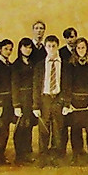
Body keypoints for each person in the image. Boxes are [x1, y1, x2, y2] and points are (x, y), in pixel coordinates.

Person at [62, 36, 88, 161]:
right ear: (75, 50)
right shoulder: (70, 65)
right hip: (75, 102)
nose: (81, 50)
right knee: (75, 130)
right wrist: (68, 103)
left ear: (87, 48)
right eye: (78, 48)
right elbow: (67, 85)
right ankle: (76, 154)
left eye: (83, 47)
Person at [32, 35, 66, 164]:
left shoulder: (65, 65)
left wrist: (65, 103)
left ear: (57, 47)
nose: (51, 49)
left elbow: (67, 86)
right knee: (43, 129)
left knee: (58, 129)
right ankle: (43, 155)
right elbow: (36, 86)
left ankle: (56, 156)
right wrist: (36, 105)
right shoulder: (40, 65)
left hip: (58, 99)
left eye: (54, 46)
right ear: (45, 47)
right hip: (44, 100)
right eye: (49, 46)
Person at [11, 37, 38, 162]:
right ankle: (19, 155)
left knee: (28, 126)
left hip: (30, 99)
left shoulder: (32, 63)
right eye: (25, 47)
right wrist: (16, 105)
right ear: (20, 48)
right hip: (21, 99)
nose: (28, 50)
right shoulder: (16, 65)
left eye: (30, 47)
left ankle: (27, 152)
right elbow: (14, 85)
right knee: (20, 128)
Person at [0, 39, 16, 163]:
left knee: (5, 128)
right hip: (0, 101)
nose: (8, 51)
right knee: (0, 128)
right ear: (0, 49)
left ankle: (1, 154)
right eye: (6, 49)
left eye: (10, 49)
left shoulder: (9, 65)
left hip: (8, 101)